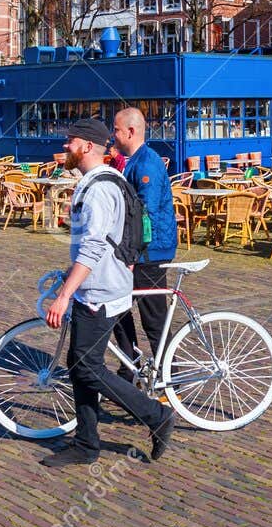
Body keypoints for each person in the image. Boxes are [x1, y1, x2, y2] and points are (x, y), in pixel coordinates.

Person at [39, 117, 175, 468]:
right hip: (101, 286)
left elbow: (94, 245)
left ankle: (155, 415)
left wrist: (65, 293)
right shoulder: (107, 178)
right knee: (80, 364)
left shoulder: (99, 187)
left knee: (87, 367)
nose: (65, 146)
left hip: (99, 290)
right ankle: (86, 444)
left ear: (86, 146)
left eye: (70, 140)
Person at [111, 106, 177, 371]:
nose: (112, 135)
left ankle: (170, 375)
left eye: (115, 130)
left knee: (153, 316)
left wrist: (130, 253)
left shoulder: (146, 162)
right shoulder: (134, 161)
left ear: (130, 131)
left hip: (150, 251)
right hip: (143, 250)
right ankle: (130, 365)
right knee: (117, 308)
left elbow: (143, 211)